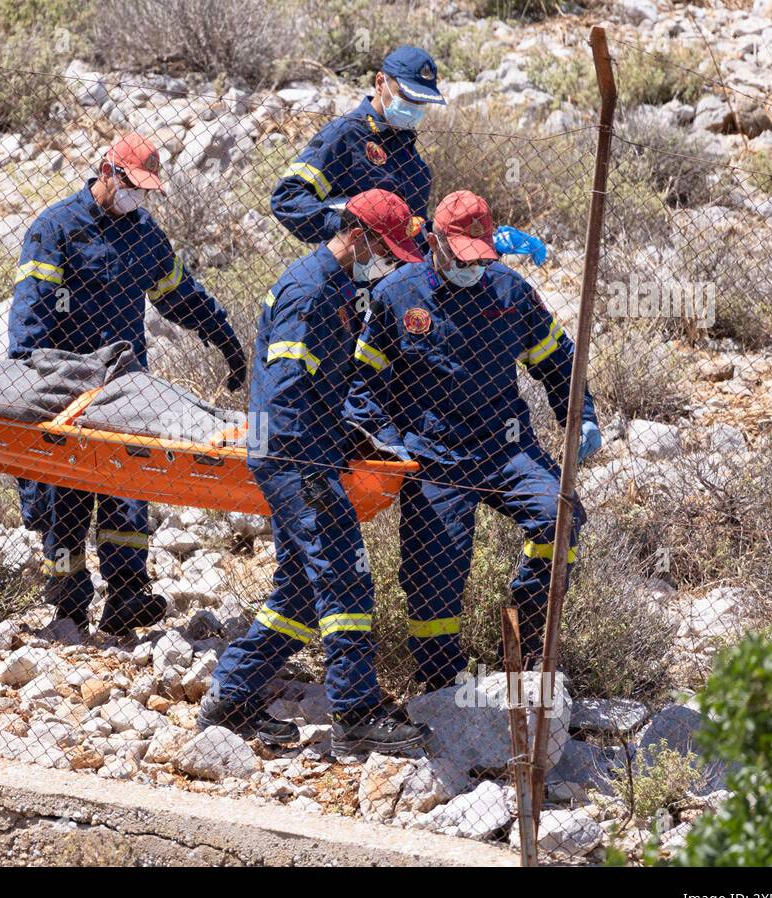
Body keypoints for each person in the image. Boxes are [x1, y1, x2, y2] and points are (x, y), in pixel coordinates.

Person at [200, 189, 428, 758]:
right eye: (386, 250)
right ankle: (355, 713)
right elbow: (284, 394)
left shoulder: (337, 287)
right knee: (345, 576)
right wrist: (320, 452)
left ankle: (231, 695)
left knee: (300, 591)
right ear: (359, 236)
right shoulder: (310, 293)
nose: (391, 262)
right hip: (295, 455)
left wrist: (348, 433)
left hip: (303, 450)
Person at [345, 190, 603, 690]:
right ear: (436, 242)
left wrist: (581, 417)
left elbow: (559, 364)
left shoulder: (511, 291)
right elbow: (365, 386)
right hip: (432, 458)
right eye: (461, 257)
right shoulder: (397, 295)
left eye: (479, 258)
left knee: (561, 517)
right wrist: (386, 443)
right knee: (431, 577)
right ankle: (442, 686)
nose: (471, 268)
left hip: (505, 447)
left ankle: (526, 645)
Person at [8, 132, 246, 635]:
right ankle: (69, 604)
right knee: (65, 492)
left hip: (124, 383)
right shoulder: (57, 228)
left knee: (127, 485)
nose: (136, 196)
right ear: (106, 171)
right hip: (66, 381)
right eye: (131, 184)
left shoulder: (145, 235)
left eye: (144, 188)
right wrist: (27, 378)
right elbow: (30, 310)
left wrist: (225, 340)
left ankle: (128, 595)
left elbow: (182, 296)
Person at [270, 45, 547, 264]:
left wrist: (483, 241)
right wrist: (349, 226)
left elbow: (412, 231)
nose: (414, 107)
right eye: (407, 97)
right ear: (380, 82)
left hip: (394, 285)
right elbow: (287, 198)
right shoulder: (346, 135)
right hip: (347, 277)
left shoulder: (411, 158)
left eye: (421, 101)